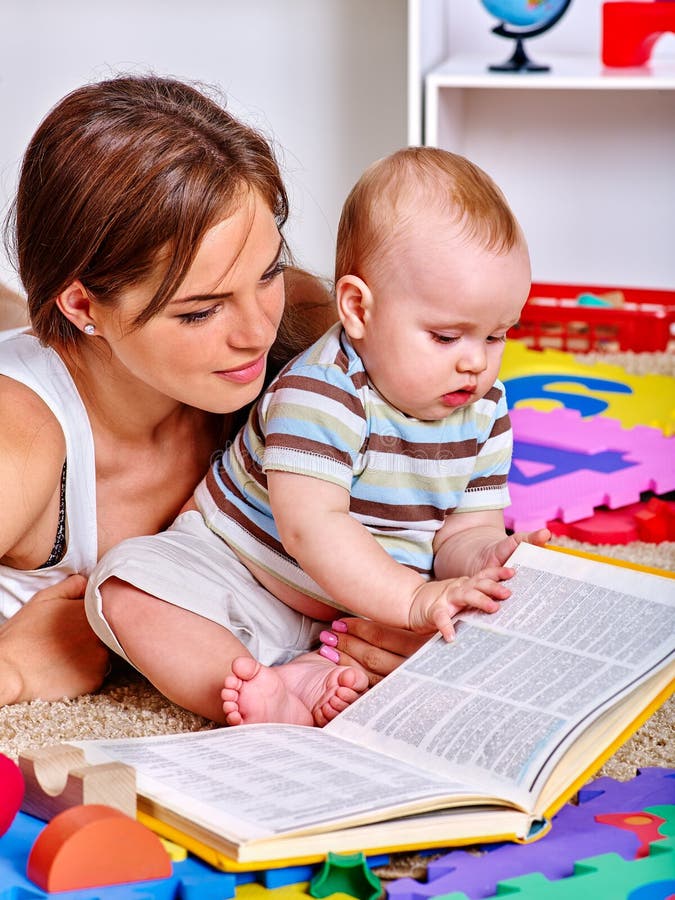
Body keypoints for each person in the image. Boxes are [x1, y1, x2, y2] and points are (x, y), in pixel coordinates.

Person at [86, 147, 550, 726]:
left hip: (363, 608)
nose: (476, 363)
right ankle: (262, 685)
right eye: (446, 337)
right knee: (128, 586)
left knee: (481, 637)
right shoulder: (324, 390)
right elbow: (314, 529)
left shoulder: (486, 409)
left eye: (498, 335)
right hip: (249, 571)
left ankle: (314, 673)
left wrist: (486, 558)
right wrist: (410, 600)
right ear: (358, 309)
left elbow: (463, 529)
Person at [0, 73, 417, 708]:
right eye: (200, 312)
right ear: (83, 302)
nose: (257, 331)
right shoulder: (18, 443)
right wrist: (13, 672)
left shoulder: (303, 329)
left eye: (269, 270)